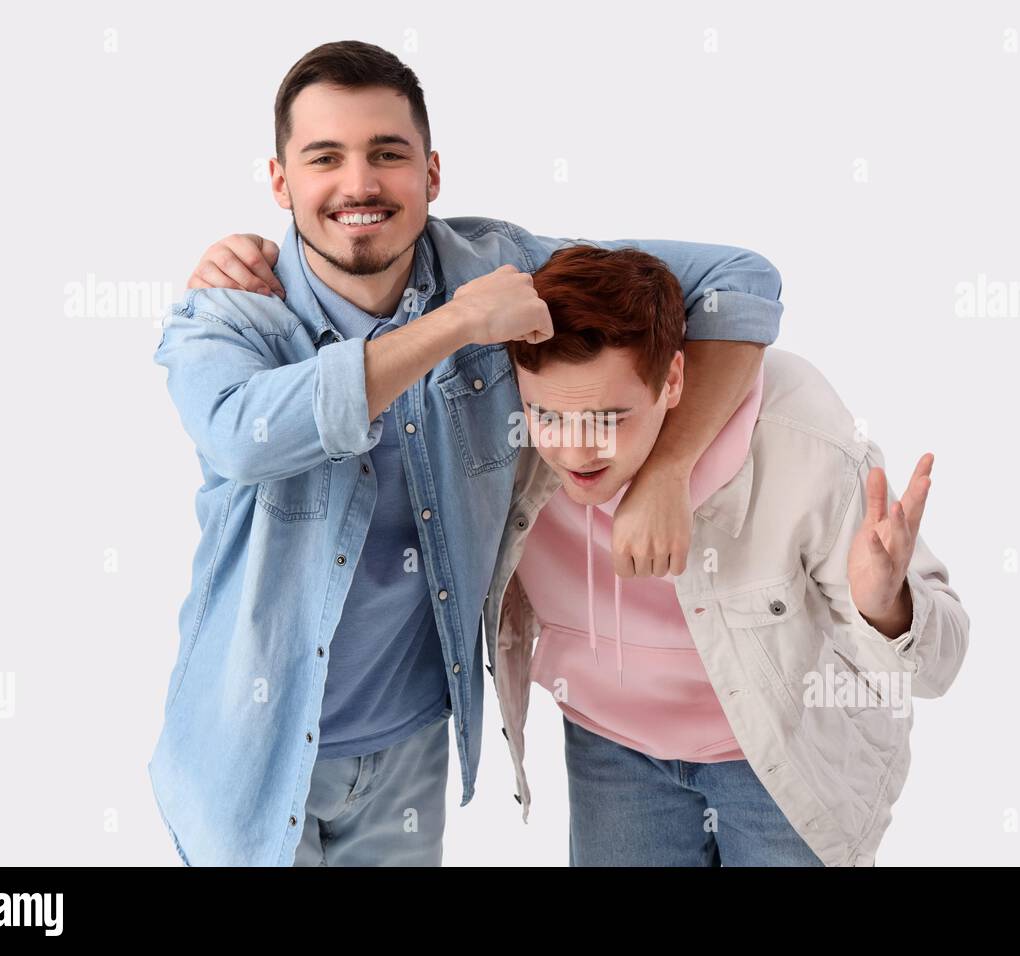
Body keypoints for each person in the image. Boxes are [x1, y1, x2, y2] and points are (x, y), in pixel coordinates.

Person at [149, 40, 787, 865]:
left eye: (388, 154)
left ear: (432, 173)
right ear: (280, 182)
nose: (359, 184)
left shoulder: (498, 264)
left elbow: (740, 282)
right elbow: (241, 435)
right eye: (324, 158)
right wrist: (455, 325)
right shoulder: (231, 317)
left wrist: (667, 470)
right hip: (249, 751)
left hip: (411, 749)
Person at [484, 244, 970, 866]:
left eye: (609, 418)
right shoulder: (508, 450)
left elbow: (940, 668)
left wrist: (888, 608)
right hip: (610, 750)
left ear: (675, 379)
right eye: (546, 414)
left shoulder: (802, 435)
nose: (575, 453)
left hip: (783, 758)